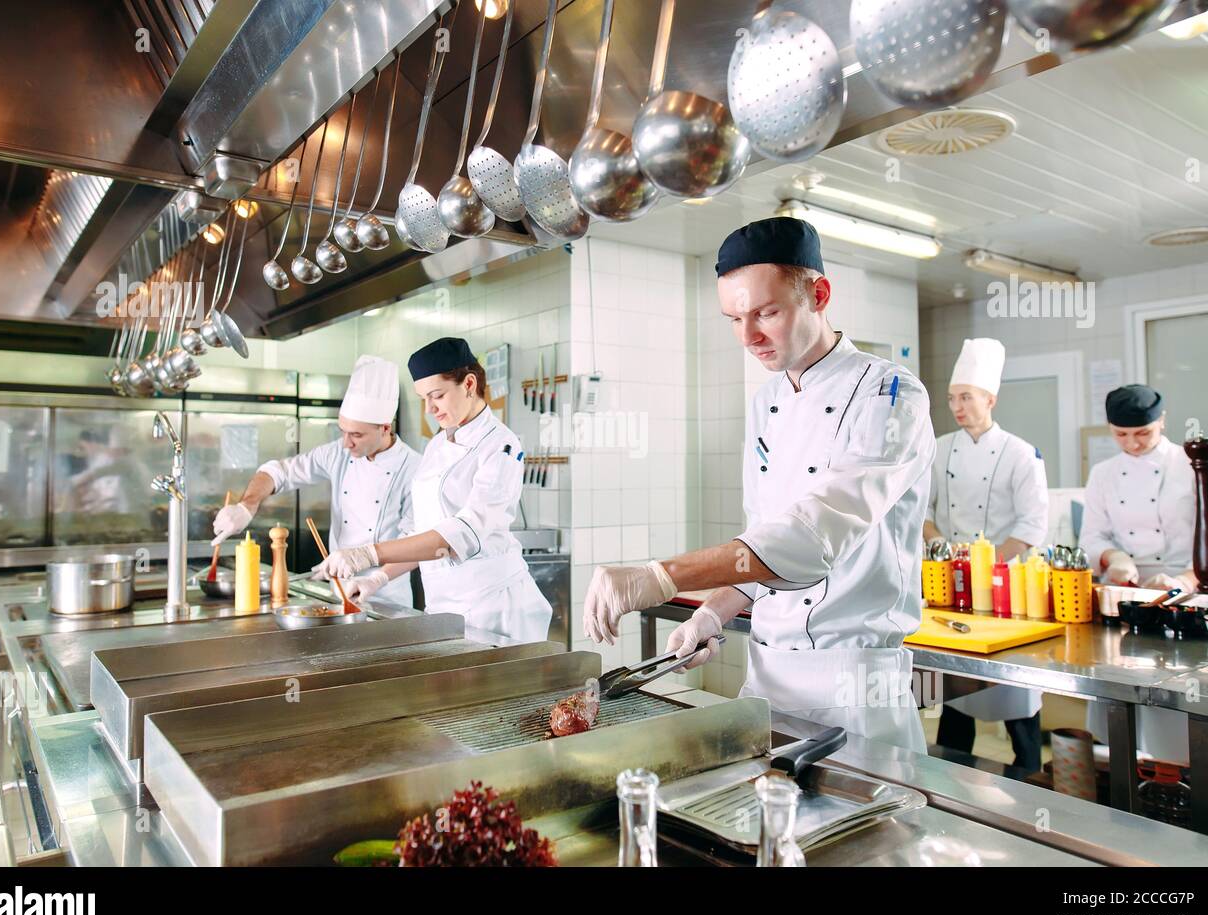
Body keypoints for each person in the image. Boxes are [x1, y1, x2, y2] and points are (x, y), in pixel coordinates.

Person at [581, 217, 935, 749]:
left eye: (766, 313)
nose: (748, 336)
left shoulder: (889, 394)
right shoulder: (766, 403)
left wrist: (663, 575)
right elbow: (763, 542)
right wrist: (713, 611)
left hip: (853, 685)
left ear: (818, 294)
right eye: (733, 318)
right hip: (767, 674)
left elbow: (808, 540)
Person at [317, 337, 552, 645]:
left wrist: (369, 553)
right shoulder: (438, 445)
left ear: (468, 383)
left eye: (436, 395)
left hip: (492, 605)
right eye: (423, 398)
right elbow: (423, 533)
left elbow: (460, 535)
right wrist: (378, 577)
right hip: (442, 604)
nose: (429, 409)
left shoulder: (502, 447)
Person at [924, 337, 1050, 771]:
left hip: (1004, 591)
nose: (957, 407)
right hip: (953, 588)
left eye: (966, 397)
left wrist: (988, 564)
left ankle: (1030, 779)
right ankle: (950, 782)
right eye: (952, 399)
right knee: (958, 690)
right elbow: (923, 513)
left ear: (991, 399)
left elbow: (1031, 528)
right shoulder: (938, 449)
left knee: (1015, 694)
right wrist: (943, 544)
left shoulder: (1021, 454)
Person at [211, 355, 419, 606]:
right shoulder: (338, 453)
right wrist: (248, 505)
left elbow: (417, 544)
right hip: (338, 593)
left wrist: (375, 580)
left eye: (356, 435)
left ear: (385, 428)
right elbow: (279, 472)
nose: (346, 443)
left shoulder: (414, 469)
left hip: (386, 600)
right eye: (343, 431)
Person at [1081, 384, 1195, 764]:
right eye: (1121, 435)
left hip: (1186, 601)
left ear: (1162, 421)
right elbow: (1092, 536)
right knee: (1125, 711)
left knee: (1176, 715)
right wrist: (1116, 558)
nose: (1131, 444)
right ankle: (1130, 791)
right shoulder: (1103, 473)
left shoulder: (1194, 465)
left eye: (1142, 433)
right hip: (1126, 601)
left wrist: (1183, 582)